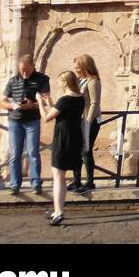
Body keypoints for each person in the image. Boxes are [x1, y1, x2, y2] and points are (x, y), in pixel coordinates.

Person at [0, 54, 52, 197]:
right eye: (22, 70)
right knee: (15, 153)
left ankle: (36, 183)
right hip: (15, 120)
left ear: (33, 66)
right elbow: (1, 101)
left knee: (33, 152)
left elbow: (47, 100)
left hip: (32, 120)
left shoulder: (42, 79)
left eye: (27, 70)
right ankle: (15, 185)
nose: (24, 73)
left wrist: (31, 105)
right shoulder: (13, 80)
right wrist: (12, 105)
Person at [42, 71, 85, 227]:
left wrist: (41, 103)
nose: (58, 84)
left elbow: (47, 118)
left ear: (65, 82)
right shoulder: (80, 98)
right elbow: (62, 112)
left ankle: (59, 212)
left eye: (60, 81)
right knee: (62, 175)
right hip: (75, 137)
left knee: (58, 176)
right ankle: (57, 210)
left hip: (62, 139)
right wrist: (51, 103)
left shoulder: (65, 99)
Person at [71, 54, 102, 192]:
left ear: (85, 67)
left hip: (91, 120)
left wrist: (88, 122)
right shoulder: (80, 81)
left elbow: (94, 103)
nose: (76, 70)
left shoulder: (93, 81)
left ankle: (89, 182)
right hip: (79, 119)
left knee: (86, 150)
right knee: (77, 150)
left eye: (78, 67)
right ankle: (76, 180)